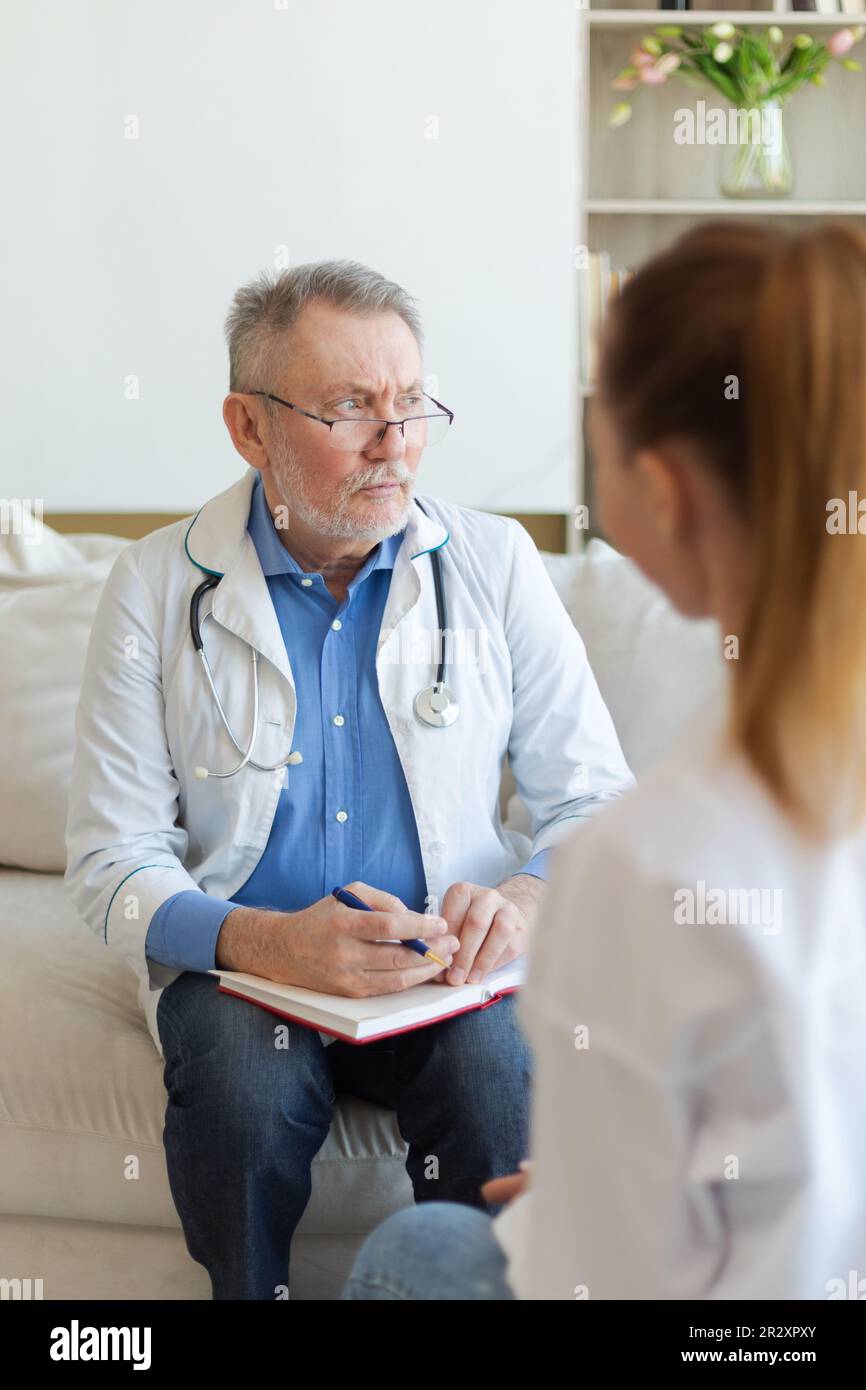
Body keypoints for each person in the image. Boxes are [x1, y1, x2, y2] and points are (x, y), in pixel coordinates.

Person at [64, 259, 633, 1300]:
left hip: (441, 962)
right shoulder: (151, 586)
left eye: (411, 404)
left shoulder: (496, 564)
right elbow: (110, 860)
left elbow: (594, 801)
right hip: (245, 967)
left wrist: (521, 898)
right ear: (249, 427)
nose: (395, 442)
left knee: (494, 1071)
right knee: (239, 1087)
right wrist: (268, 940)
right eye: (350, 409)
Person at [342, 220, 866, 1300]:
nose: (393, 439)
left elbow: (617, 1279)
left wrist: (573, 1202)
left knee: (408, 1254)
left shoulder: (648, 862)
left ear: (661, 491)